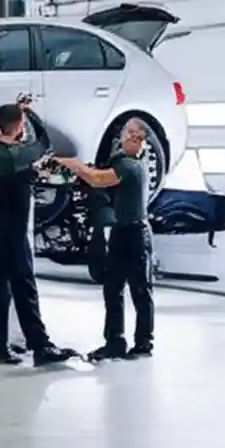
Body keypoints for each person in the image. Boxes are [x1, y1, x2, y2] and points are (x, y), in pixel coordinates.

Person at [0, 99, 76, 367]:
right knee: (25, 288)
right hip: (15, 236)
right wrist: (30, 113)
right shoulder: (19, 156)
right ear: (19, 127)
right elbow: (44, 143)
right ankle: (40, 346)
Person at [58, 118, 155, 361]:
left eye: (136, 135)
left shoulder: (130, 166)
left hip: (134, 234)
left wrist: (73, 164)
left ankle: (141, 343)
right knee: (114, 289)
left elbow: (97, 179)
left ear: (142, 140)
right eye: (128, 133)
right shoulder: (133, 163)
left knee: (138, 290)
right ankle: (116, 342)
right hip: (124, 231)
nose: (130, 138)